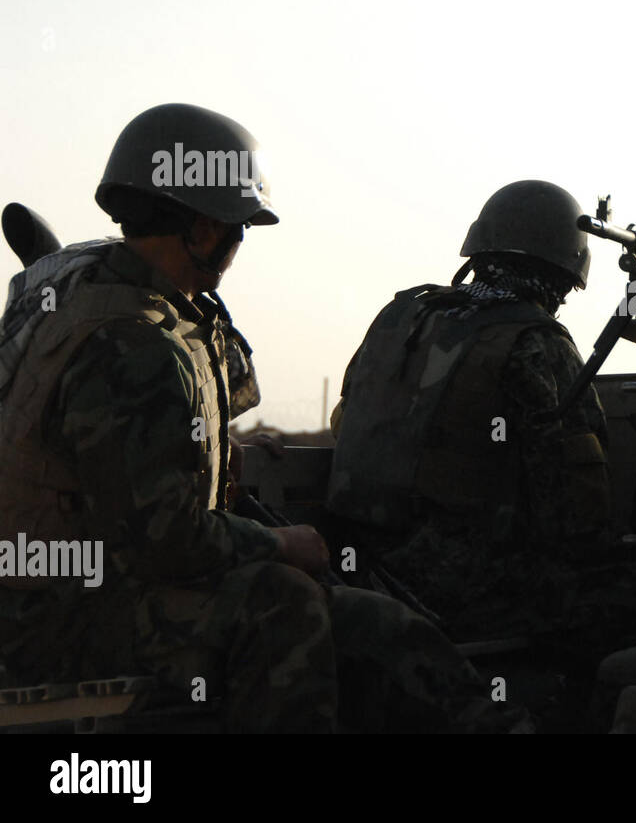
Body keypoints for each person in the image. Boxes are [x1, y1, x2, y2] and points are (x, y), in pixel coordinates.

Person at [0, 103, 508, 733]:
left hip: (61, 595)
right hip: (47, 618)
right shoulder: (133, 344)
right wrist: (279, 543)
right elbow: (166, 544)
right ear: (204, 228)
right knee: (283, 605)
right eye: (237, 229)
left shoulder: (102, 294)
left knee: (378, 628)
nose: (237, 247)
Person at [326, 179, 636, 731]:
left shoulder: (402, 316)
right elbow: (574, 518)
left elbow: (346, 421)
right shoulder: (537, 342)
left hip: (357, 565)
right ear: (566, 273)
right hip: (465, 589)